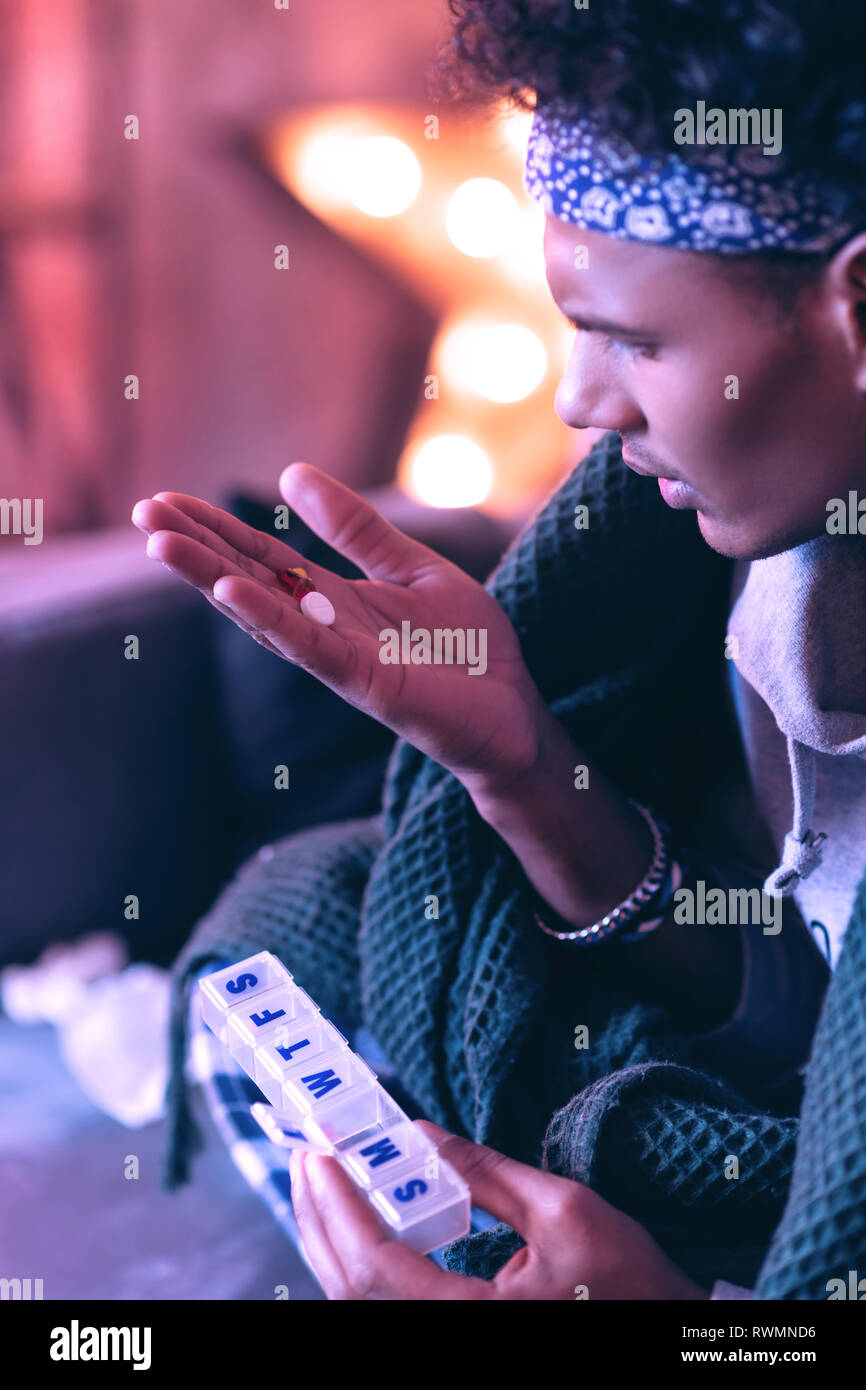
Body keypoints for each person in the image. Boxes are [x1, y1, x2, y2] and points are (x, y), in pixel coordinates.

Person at [134, 0, 866, 1298]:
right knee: (299, 924)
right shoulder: (778, 561)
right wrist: (517, 760)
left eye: (634, 340)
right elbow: (786, 1003)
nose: (578, 401)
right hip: (749, 1137)